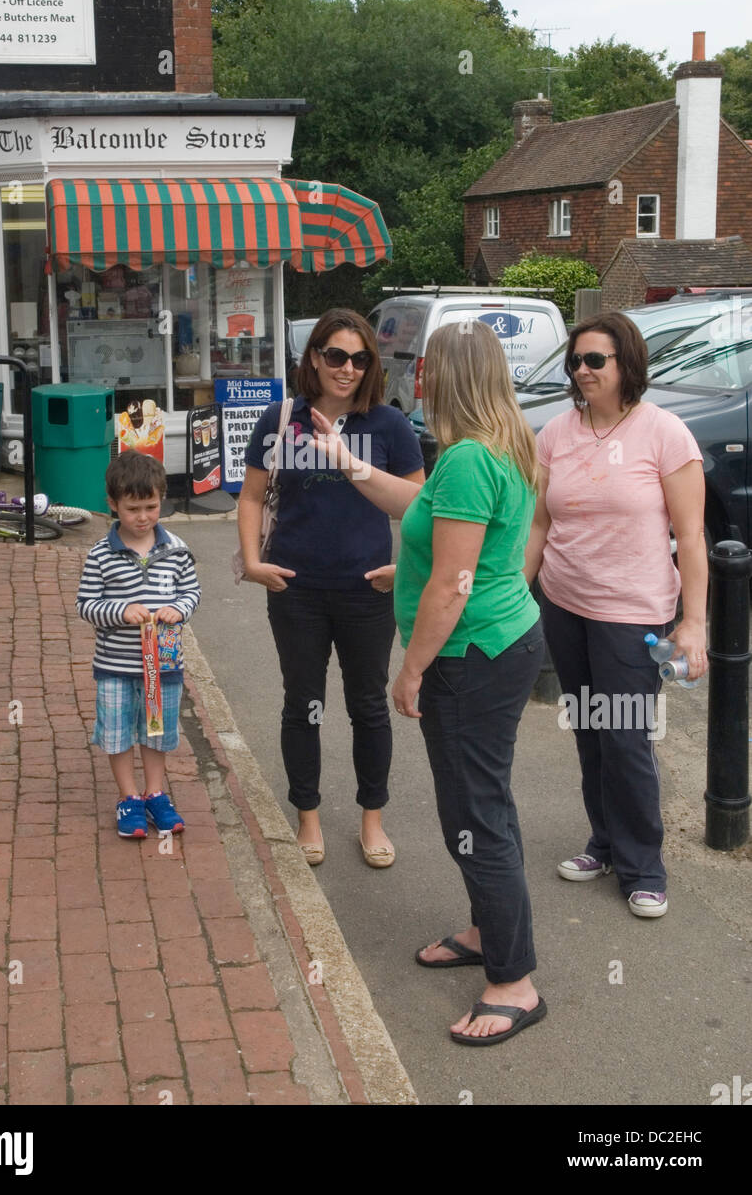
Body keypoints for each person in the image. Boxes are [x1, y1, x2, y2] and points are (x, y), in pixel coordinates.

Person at [311, 320, 547, 1046]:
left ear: (449, 375)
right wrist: (347, 461)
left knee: (476, 813)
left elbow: (454, 579)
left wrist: (409, 667)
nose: (418, 377)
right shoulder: (485, 447)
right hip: (492, 644)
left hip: (471, 654)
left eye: (428, 366)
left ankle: (514, 983)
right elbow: (424, 517)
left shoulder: (471, 458)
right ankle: (487, 928)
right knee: (479, 803)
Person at [524, 312, 708, 918]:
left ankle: (642, 867)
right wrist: (517, 593)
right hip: (564, 604)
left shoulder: (665, 434)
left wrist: (695, 622)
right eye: (575, 361)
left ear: (626, 363)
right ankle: (603, 842)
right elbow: (541, 523)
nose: (581, 370)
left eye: (594, 360)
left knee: (626, 737)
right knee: (587, 729)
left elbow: (693, 534)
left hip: (632, 614)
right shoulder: (556, 432)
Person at [238, 308, 424, 868]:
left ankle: (373, 818)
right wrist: (252, 562)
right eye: (336, 356)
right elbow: (251, 497)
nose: (347, 368)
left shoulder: (388, 425)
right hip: (296, 589)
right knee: (304, 703)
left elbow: (422, 509)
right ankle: (308, 816)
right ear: (314, 357)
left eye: (360, 358)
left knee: (369, 706)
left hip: (367, 591)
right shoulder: (281, 419)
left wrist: (404, 568)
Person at [76, 451, 201, 838]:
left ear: (162, 499)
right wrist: (119, 610)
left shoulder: (177, 548)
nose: (143, 516)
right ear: (113, 505)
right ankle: (128, 798)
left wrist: (176, 610)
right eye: (133, 509)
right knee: (115, 732)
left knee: (156, 731)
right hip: (115, 666)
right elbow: (86, 605)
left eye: (151, 506)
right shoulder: (100, 554)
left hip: (162, 667)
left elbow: (191, 592)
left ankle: (155, 793)